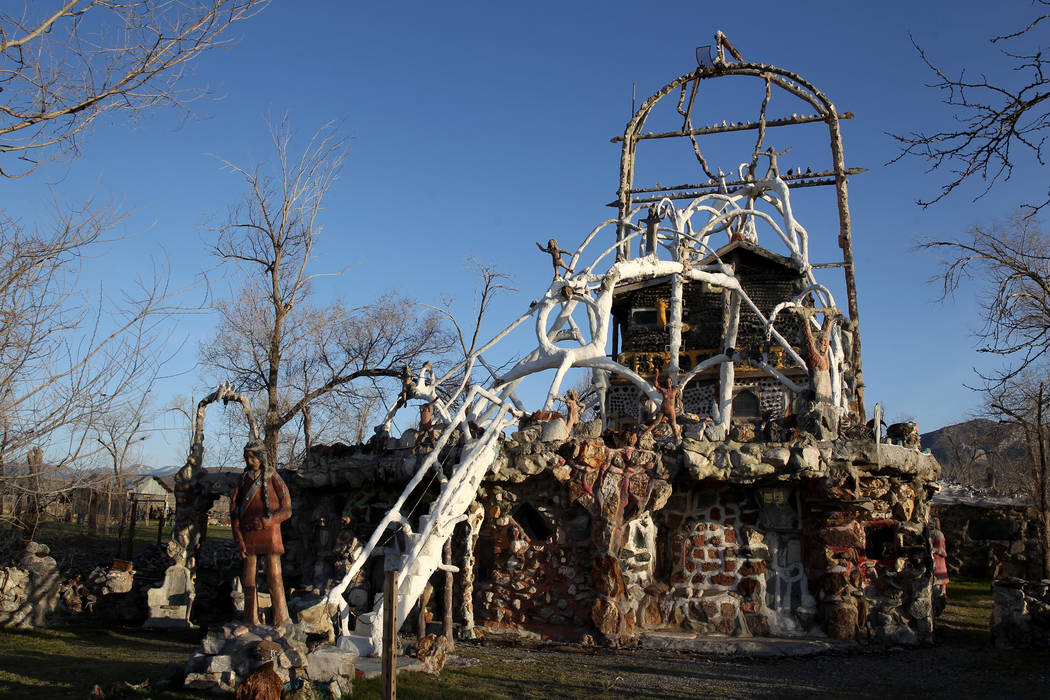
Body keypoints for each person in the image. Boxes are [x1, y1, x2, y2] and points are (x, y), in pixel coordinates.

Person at [231, 440, 292, 627]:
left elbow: (287, 509)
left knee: (274, 576)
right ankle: (250, 620)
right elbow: (234, 510)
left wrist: (268, 520)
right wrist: (238, 538)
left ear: (262, 457)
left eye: (253, 457)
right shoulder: (243, 480)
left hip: (270, 534)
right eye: (247, 457)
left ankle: (281, 621)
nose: (251, 461)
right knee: (249, 579)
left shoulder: (273, 477)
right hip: (249, 535)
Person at [930, 517, 949, 616]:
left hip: (937, 560)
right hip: (938, 561)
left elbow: (941, 549)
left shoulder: (936, 534)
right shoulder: (937, 533)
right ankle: (939, 604)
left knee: (939, 585)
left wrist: (934, 550)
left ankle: (939, 605)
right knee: (940, 585)